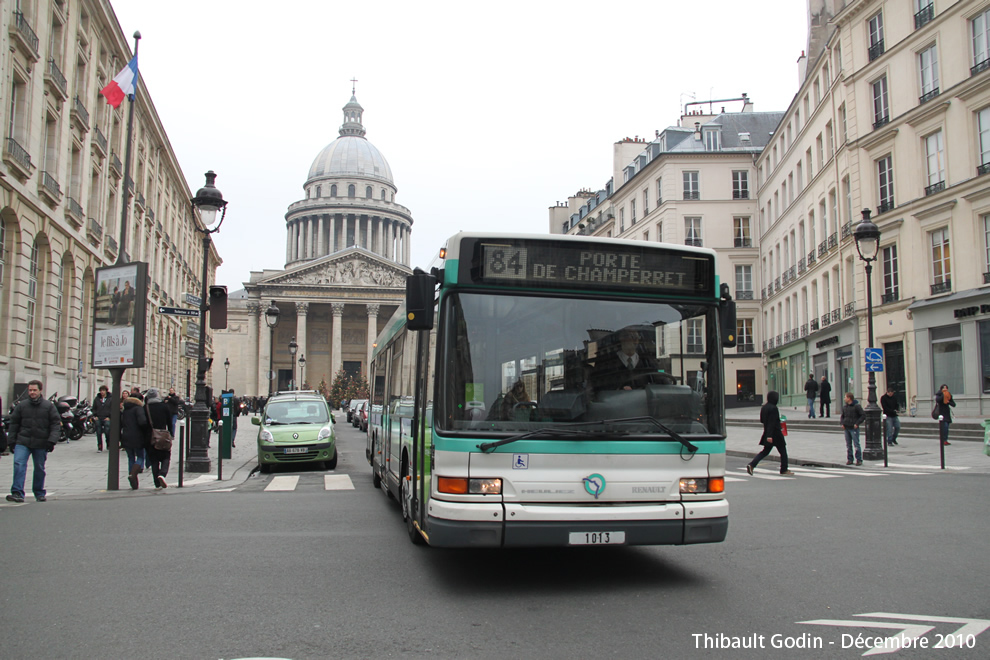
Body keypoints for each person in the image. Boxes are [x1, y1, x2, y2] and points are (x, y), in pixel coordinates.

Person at [6, 380, 60, 503]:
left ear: (40, 390)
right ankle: (17, 492)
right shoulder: (22, 406)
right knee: (19, 464)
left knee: (39, 468)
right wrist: (11, 441)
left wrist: (51, 441)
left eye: (34, 390)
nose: (32, 392)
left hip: (41, 442)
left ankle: (39, 492)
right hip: (23, 441)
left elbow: (55, 424)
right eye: (30, 390)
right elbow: (14, 424)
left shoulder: (48, 406)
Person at [592, 326, 664, 391]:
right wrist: (618, 390)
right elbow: (596, 388)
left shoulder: (648, 362)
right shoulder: (605, 363)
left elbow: (662, 382)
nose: (634, 341)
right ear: (621, 339)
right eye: (630, 337)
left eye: (637, 337)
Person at [746, 391, 793, 476]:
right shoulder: (774, 408)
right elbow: (772, 423)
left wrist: (768, 434)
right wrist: (770, 435)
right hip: (775, 434)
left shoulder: (764, 407)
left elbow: (762, 420)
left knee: (765, 452)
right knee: (783, 451)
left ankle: (752, 464)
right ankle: (784, 469)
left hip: (767, 432)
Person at [143, 389, 172, 489]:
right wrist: (171, 434)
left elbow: (143, 423)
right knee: (166, 457)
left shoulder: (145, 408)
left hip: (149, 437)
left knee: (154, 460)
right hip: (162, 435)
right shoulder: (164, 407)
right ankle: (162, 474)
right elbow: (169, 422)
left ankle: (156, 482)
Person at [121, 391, 149, 489]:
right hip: (138, 436)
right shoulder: (138, 409)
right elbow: (142, 422)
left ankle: (132, 479)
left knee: (131, 457)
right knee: (141, 456)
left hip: (126, 436)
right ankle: (133, 474)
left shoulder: (125, 409)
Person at [840, 392, 865, 466]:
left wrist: (857, 423)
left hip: (853, 428)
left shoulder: (856, 406)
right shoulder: (845, 407)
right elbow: (843, 416)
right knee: (848, 444)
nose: (844, 398)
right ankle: (850, 459)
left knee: (856, 444)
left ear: (849, 398)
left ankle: (859, 459)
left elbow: (863, 415)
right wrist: (842, 423)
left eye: (845, 397)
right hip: (846, 427)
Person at [92, 385, 112, 452]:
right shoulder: (97, 399)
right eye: (101, 391)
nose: (102, 392)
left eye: (103, 390)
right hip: (99, 417)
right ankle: (100, 446)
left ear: (106, 391)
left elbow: (113, 408)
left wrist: (110, 417)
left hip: (107, 417)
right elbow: (94, 408)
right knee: (98, 432)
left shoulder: (110, 398)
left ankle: (108, 443)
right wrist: (95, 416)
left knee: (107, 431)